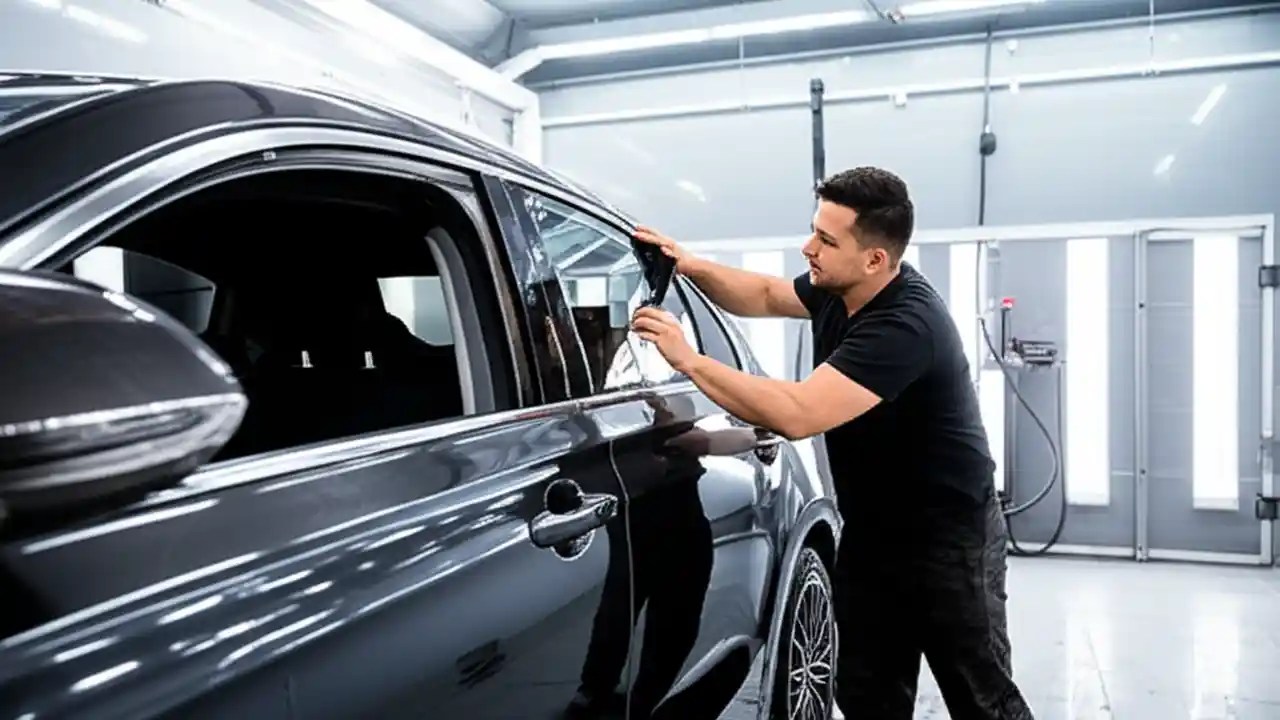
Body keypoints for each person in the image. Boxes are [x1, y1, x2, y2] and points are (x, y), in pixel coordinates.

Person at [629, 166, 1035, 720]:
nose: (808, 248)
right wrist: (686, 263)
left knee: (981, 696)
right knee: (868, 690)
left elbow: (800, 413)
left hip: (949, 539)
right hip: (872, 532)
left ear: (875, 260)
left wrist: (690, 360)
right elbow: (766, 294)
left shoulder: (904, 324)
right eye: (813, 230)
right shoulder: (834, 291)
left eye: (826, 239)